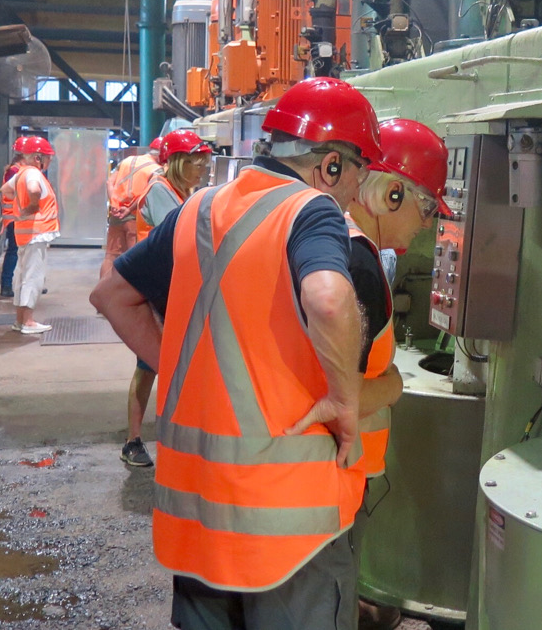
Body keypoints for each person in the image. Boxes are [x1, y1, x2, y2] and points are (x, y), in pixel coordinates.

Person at [90, 77, 382, 630]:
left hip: (196, 517)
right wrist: (346, 402)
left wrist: (177, 368)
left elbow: (111, 296)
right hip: (287, 527)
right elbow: (325, 297)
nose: (356, 188)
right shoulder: (310, 210)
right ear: (331, 166)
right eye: (359, 169)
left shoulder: (197, 209)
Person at [341, 118, 451, 629]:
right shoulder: (356, 262)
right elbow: (332, 393)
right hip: (330, 477)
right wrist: (392, 387)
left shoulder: (337, 239)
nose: (428, 225)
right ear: (390, 193)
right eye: (426, 206)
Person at [121, 129, 212, 469]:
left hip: (175, 292)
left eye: (204, 162)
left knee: (171, 366)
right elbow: (184, 237)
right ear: (177, 163)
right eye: (196, 162)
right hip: (156, 292)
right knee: (149, 366)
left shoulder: (183, 191)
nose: (202, 168)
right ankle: (133, 440)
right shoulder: (161, 192)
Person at [10, 135, 59, 335]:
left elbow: (5, 190)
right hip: (36, 234)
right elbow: (33, 190)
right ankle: (28, 322)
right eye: (48, 158)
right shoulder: (33, 174)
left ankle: (20, 320)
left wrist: (18, 210)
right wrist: (31, 206)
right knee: (33, 277)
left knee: (21, 277)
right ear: (38, 158)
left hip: (24, 234)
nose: (49, 163)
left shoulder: (20, 173)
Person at [101, 137, 162, 280]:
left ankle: (103, 291)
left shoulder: (127, 161)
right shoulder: (156, 169)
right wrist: (129, 209)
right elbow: (148, 192)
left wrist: (114, 203)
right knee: (134, 258)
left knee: (111, 255)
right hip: (135, 217)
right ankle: (131, 295)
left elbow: (109, 182)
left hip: (116, 214)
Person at [0, 152, 23, 297]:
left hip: (18, 217)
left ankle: (23, 284)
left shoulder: (16, 171)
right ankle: (6, 285)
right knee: (14, 251)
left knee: (19, 252)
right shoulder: (14, 171)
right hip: (14, 218)